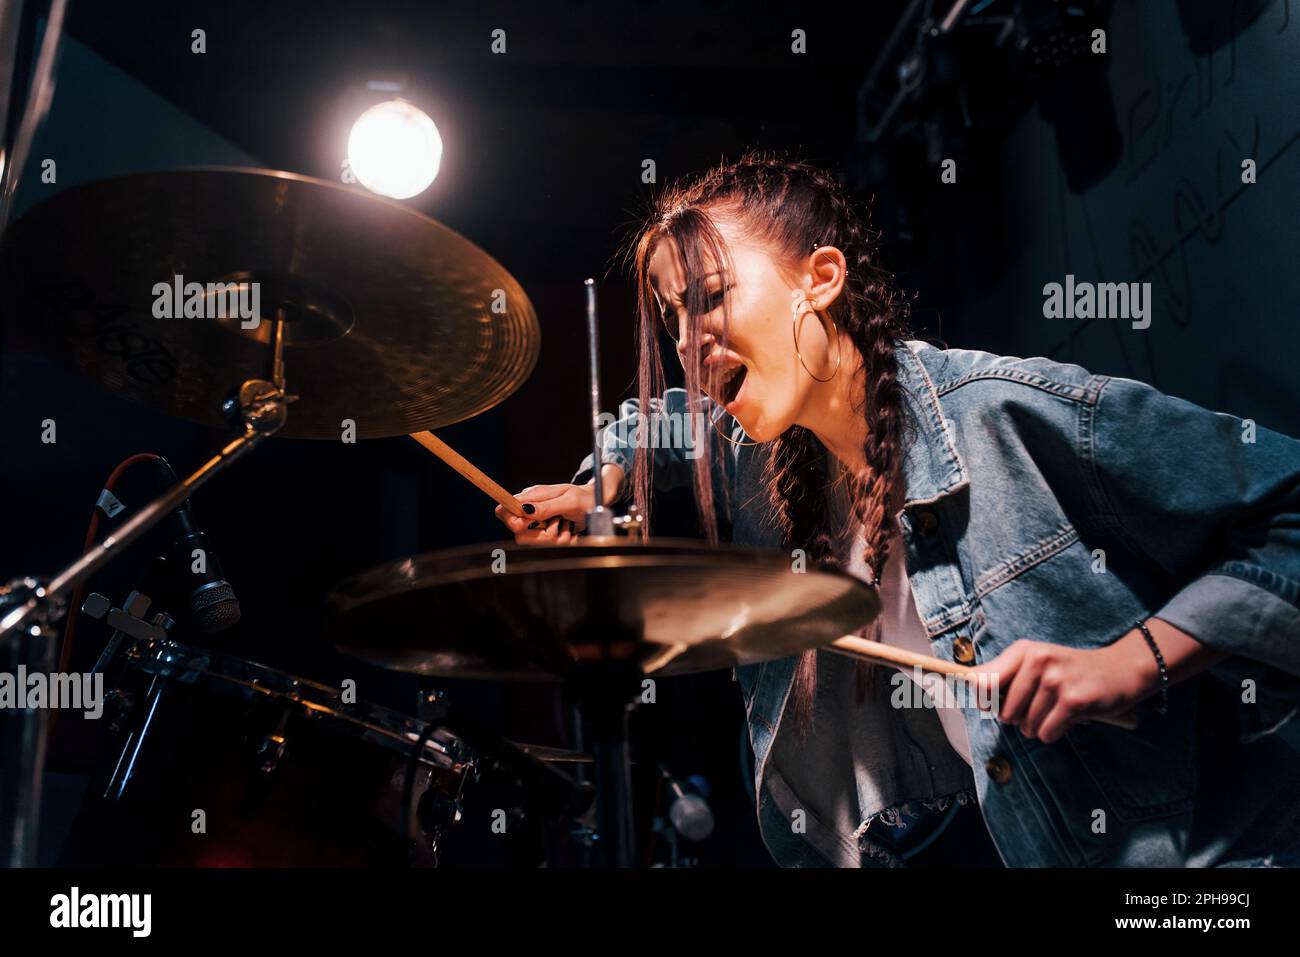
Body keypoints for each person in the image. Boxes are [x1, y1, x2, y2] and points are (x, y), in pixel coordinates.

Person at [495, 151, 1300, 867]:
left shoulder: (999, 412)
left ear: (823, 278)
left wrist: (1129, 661)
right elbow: (665, 426)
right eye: (672, 318)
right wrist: (599, 479)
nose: (688, 338)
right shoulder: (771, 453)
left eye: (708, 298)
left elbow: (1288, 505)